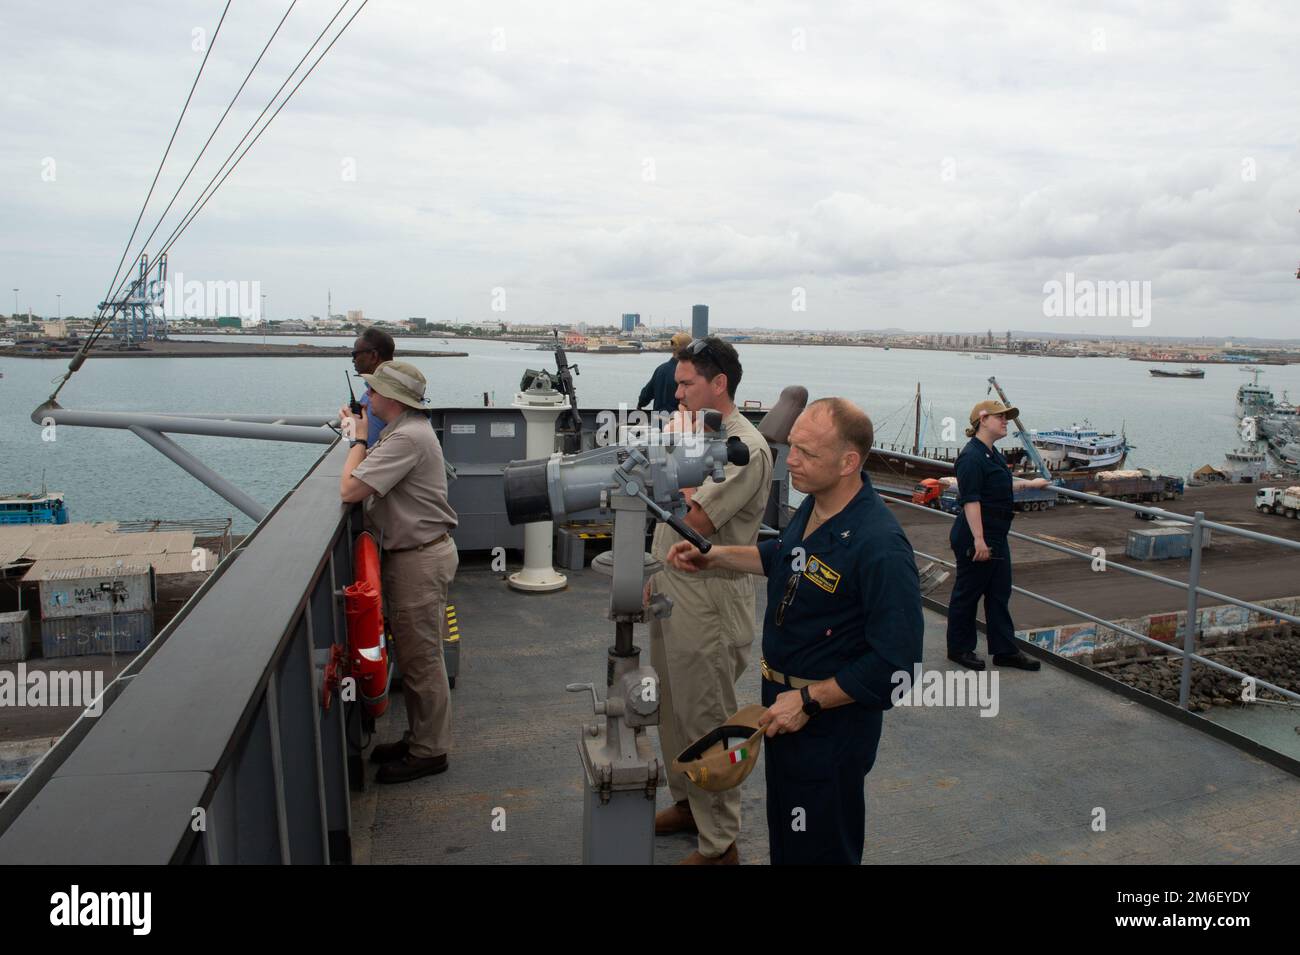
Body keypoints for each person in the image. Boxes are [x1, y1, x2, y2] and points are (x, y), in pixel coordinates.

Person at [666, 398, 924, 865]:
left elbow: (897, 663)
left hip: (829, 726)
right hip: (782, 713)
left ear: (848, 462)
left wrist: (808, 701)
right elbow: (783, 555)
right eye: (793, 447)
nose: (791, 461)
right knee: (790, 838)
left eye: (807, 453)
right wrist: (716, 555)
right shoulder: (815, 507)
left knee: (823, 846)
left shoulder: (880, 545)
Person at [647, 336, 772, 865]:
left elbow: (695, 523)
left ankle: (721, 843)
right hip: (672, 587)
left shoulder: (743, 448)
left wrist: (672, 455)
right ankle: (687, 802)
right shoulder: (696, 433)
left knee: (706, 719)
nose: (675, 392)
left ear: (719, 384)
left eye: (685, 383)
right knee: (670, 710)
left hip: (710, 600)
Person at [339, 360, 460, 784]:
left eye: (373, 392)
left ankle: (431, 751)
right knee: (412, 656)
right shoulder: (403, 431)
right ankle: (418, 737)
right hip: (413, 556)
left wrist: (355, 437)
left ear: (391, 398)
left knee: (422, 659)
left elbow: (350, 488)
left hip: (417, 560)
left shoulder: (407, 437)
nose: (367, 397)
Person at [945, 400, 1050, 672]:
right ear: (983, 419)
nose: (1006, 422)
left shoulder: (992, 454)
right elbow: (971, 500)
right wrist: (979, 540)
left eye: (1006, 418)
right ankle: (959, 648)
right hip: (977, 535)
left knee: (999, 593)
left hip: (996, 534)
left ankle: (1004, 650)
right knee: (968, 593)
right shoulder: (971, 457)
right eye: (1000, 417)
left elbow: (1001, 484)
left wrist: (1031, 483)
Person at [351, 327, 396, 447]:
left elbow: (364, 446)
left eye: (355, 355)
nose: (353, 360)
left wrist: (351, 426)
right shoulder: (399, 389)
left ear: (374, 356)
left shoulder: (381, 399)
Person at [638, 331, 692, 417]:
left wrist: (640, 405)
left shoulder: (660, 369)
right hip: (676, 423)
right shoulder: (689, 373)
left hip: (657, 422)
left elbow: (645, 395)